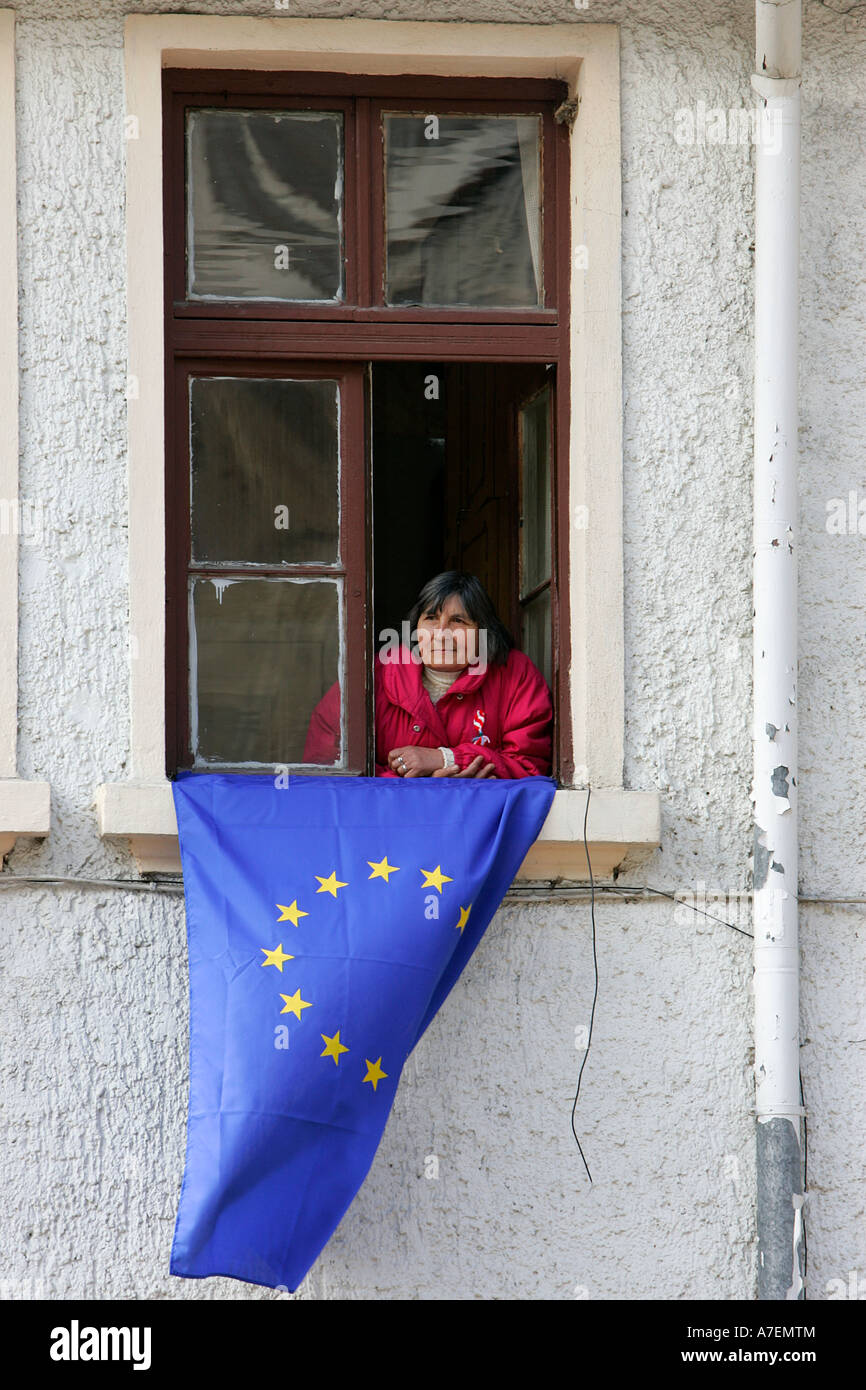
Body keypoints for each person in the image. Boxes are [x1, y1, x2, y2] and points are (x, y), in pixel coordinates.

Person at [303, 571, 553, 779]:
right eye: (431, 618)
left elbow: (530, 765)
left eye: (458, 621)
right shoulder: (373, 676)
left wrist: (445, 759)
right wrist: (417, 782)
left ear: (482, 632)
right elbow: (326, 762)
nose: (441, 633)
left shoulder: (515, 675)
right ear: (416, 628)